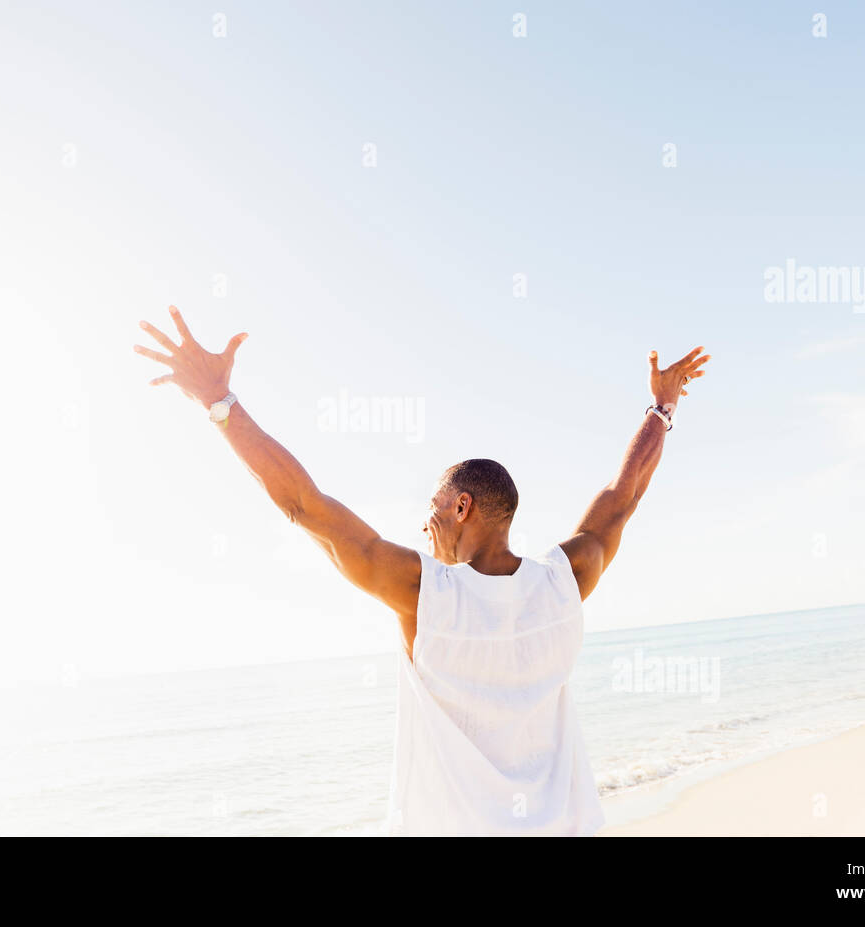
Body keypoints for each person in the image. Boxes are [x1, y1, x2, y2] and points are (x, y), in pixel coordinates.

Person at [134, 306, 710, 835]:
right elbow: (622, 495)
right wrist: (662, 407)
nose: (427, 523)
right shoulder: (567, 579)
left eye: (434, 509)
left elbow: (305, 507)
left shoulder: (422, 594)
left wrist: (219, 402)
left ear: (461, 507)